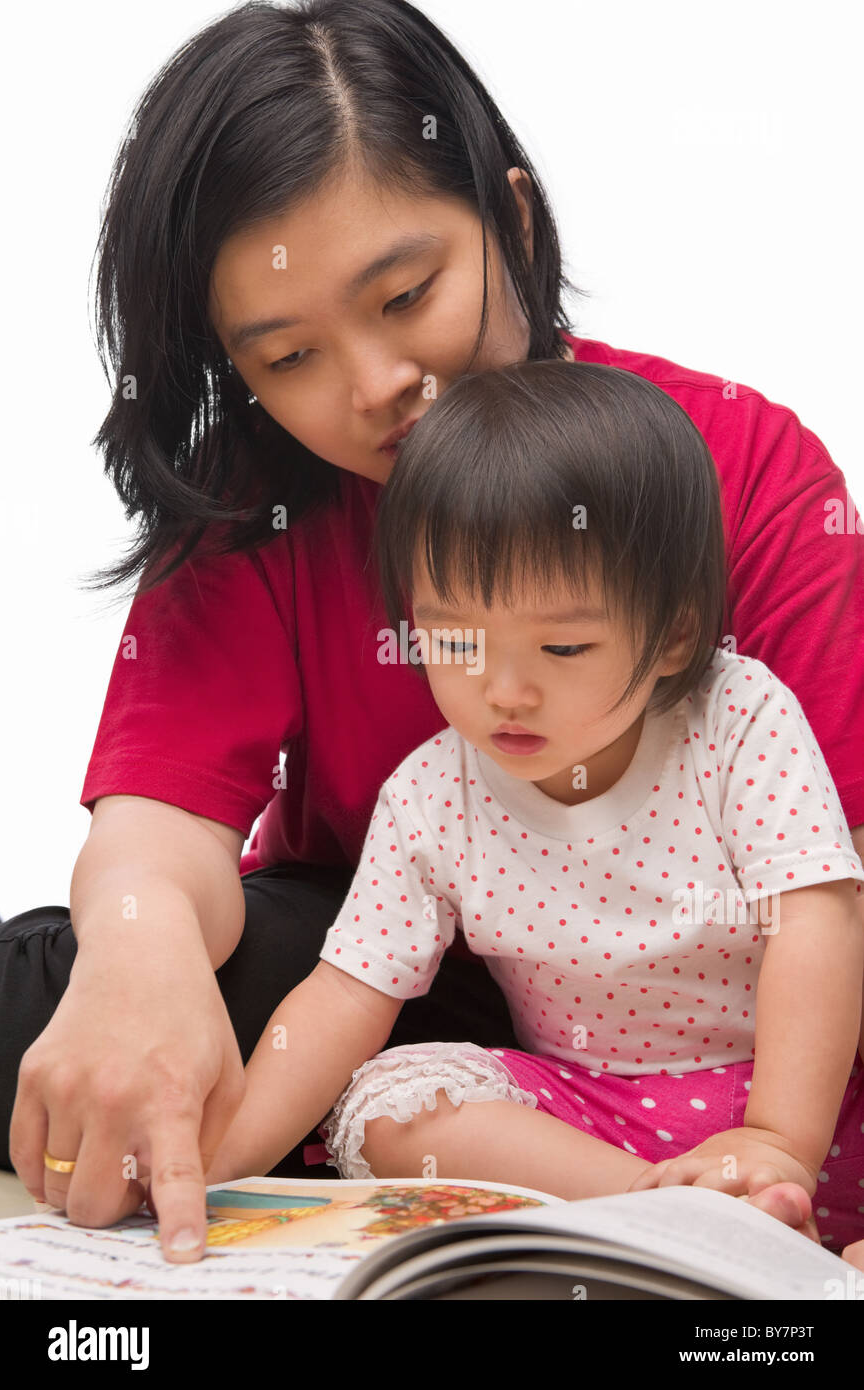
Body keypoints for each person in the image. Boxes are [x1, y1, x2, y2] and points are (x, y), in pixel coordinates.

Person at [0, 0, 863, 1267]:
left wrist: (788, 1129)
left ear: (508, 221)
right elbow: (161, 836)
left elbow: (826, 884)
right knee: (56, 985)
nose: (369, 388)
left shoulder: (739, 463)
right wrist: (140, 957)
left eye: (406, 295)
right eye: (287, 354)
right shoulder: (256, 511)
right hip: (423, 991)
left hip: (748, 1006)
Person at [200, 359, 864, 1259]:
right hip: (588, 1123)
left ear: (672, 631)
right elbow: (344, 996)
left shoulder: (737, 718)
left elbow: (818, 919)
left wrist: (778, 1136)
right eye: (454, 641)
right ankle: (659, 1208)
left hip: (809, 1105)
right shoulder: (435, 793)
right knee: (393, 1101)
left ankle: (775, 1215)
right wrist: (217, 1162)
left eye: (563, 645)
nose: (503, 692)